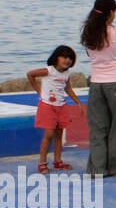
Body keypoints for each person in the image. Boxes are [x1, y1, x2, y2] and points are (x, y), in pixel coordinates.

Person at [80, 0, 116, 176]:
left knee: (98, 128)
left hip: (96, 84)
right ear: (111, 12)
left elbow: (91, 56)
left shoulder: (87, 34)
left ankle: (97, 169)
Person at [26, 46, 85, 174]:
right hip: (48, 106)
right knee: (49, 135)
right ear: (56, 57)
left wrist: (78, 102)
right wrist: (39, 91)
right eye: (64, 57)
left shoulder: (67, 74)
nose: (67, 60)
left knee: (59, 135)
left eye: (70, 58)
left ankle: (58, 161)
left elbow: (67, 89)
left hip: (61, 106)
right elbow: (30, 74)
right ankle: (42, 163)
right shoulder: (49, 70)